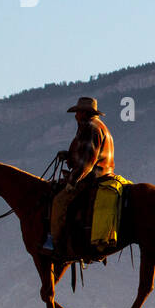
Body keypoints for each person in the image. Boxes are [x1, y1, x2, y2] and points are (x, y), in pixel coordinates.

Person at [42, 97, 115, 255]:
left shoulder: (90, 128)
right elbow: (85, 154)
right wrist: (68, 155)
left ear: (84, 113)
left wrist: (73, 181)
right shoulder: (99, 127)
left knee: (59, 201)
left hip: (92, 177)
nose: (75, 116)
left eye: (78, 112)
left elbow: (87, 161)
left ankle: (56, 244)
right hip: (100, 174)